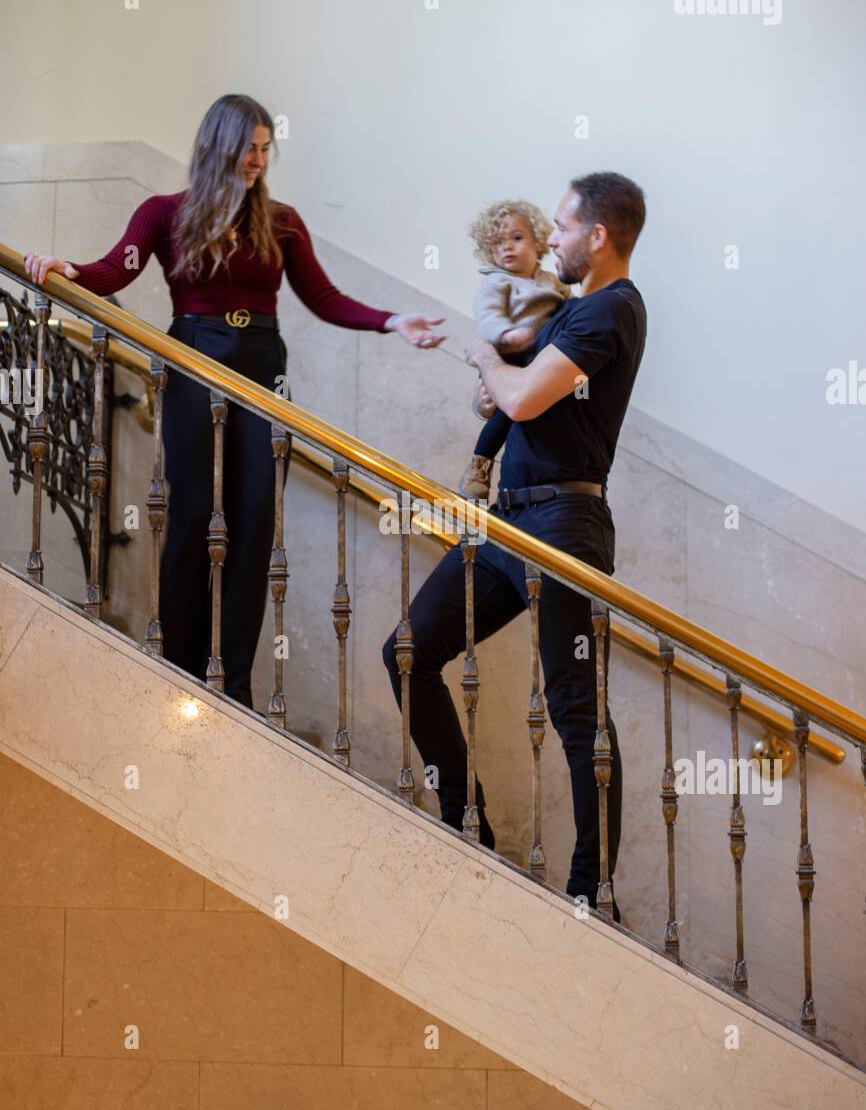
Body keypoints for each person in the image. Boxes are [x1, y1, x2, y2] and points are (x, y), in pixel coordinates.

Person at [25, 94, 444, 708]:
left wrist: (392, 320)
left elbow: (324, 298)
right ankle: (178, 664)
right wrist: (70, 270)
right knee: (194, 512)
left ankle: (234, 680)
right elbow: (118, 268)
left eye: (265, 149)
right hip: (194, 353)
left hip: (263, 364)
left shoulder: (283, 222)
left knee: (254, 522)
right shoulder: (165, 213)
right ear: (218, 144)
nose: (257, 160)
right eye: (249, 147)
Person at [383, 172, 647, 917]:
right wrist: (495, 379)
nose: (552, 238)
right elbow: (514, 395)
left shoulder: (611, 307)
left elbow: (523, 395)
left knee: (574, 706)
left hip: (567, 524)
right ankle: (472, 830)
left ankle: (592, 893)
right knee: (408, 652)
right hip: (509, 521)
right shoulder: (571, 311)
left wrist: (487, 363)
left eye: (562, 226)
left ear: (597, 236)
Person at [458, 200, 571, 499]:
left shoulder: (552, 282)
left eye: (517, 238)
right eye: (498, 243)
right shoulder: (497, 282)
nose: (507, 247)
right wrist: (506, 334)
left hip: (543, 355)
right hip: (511, 356)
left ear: (538, 242)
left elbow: (569, 306)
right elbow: (488, 315)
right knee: (503, 414)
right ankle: (480, 464)